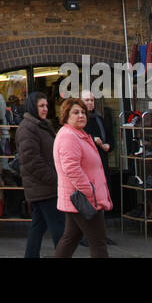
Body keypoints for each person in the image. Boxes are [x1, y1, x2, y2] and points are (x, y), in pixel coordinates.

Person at [52, 97, 112, 258]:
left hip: (80, 198)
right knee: (99, 243)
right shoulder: (68, 137)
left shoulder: (78, 134)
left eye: (83, 112)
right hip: (84, 199)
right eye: (75, 112)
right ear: (66, 115)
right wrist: (89, 191)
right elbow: (71, 169)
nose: (81, 116)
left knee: (71, 238)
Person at [16, 91, 64, 258]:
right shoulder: (28, 128)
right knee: (59, 227)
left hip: (43, 187)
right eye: (41, 106)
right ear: (33, 107)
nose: (45, 109)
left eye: (46, 106)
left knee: (38, 226)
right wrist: (56, 178)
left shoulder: (42, 124)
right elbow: (32, 162)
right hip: (44, 188)